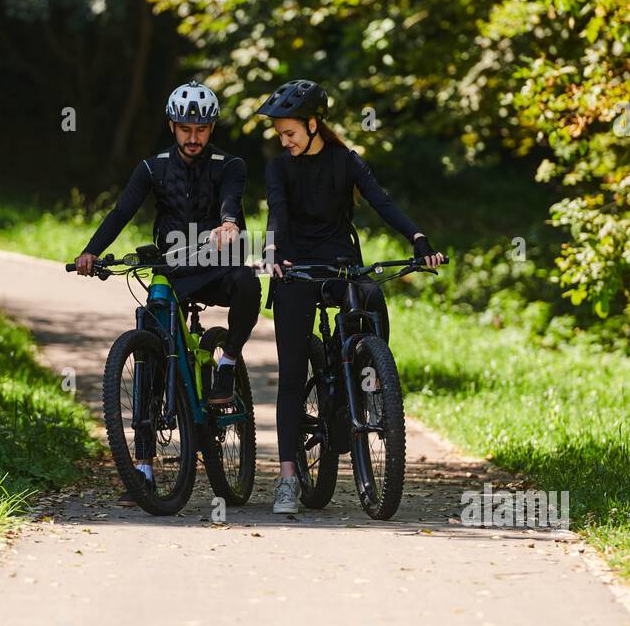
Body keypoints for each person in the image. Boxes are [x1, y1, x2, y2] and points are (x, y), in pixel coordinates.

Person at [259, 79, 446, 514]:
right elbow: (277, 211)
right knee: (290, 374)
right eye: (280, 135)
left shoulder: (346, 161)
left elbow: (381, 201)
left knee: (371, 297)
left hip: (341, 260)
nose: (284, 141)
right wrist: (272, 251)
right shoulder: (279, 168)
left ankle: (369, 379)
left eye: (289, 133)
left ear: (312, 124)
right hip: (295, 265)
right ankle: (288, 478)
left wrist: (417, 237)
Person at [73, 80, 262, 497]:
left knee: (249, 282)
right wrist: (91, 252)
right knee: (150, 339)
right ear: (172, 126)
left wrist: (229, 224)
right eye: (185, 129)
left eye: (201, 129)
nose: (193, 138)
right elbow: (121, 211)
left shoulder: (230, 165)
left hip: (217, 263)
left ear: (211, 128)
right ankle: (142, 465)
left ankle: (227, 361)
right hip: (171, 266)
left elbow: (232, 200)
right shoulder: (151, 168)